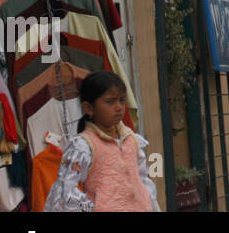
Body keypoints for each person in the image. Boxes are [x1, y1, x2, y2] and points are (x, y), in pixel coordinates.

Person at [44, 71, 159, 211]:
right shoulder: (83, 147)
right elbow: (65, 190)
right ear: (88, 108)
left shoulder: (131, 140)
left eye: (122, 100)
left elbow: (143, 180)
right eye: (110, 102)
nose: (119, 107)